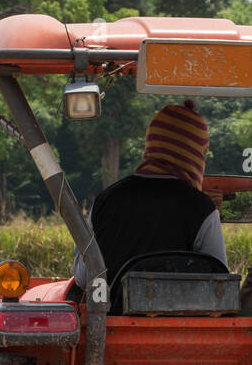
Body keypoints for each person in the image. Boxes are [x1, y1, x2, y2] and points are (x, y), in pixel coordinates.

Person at [73, 100, 227, 295]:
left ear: (152, 146)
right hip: (180, 325)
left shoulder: (106, 200)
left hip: (109, 323)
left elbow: (83, 278)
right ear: (192, 154)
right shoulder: (201, 207)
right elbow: (220, 285)